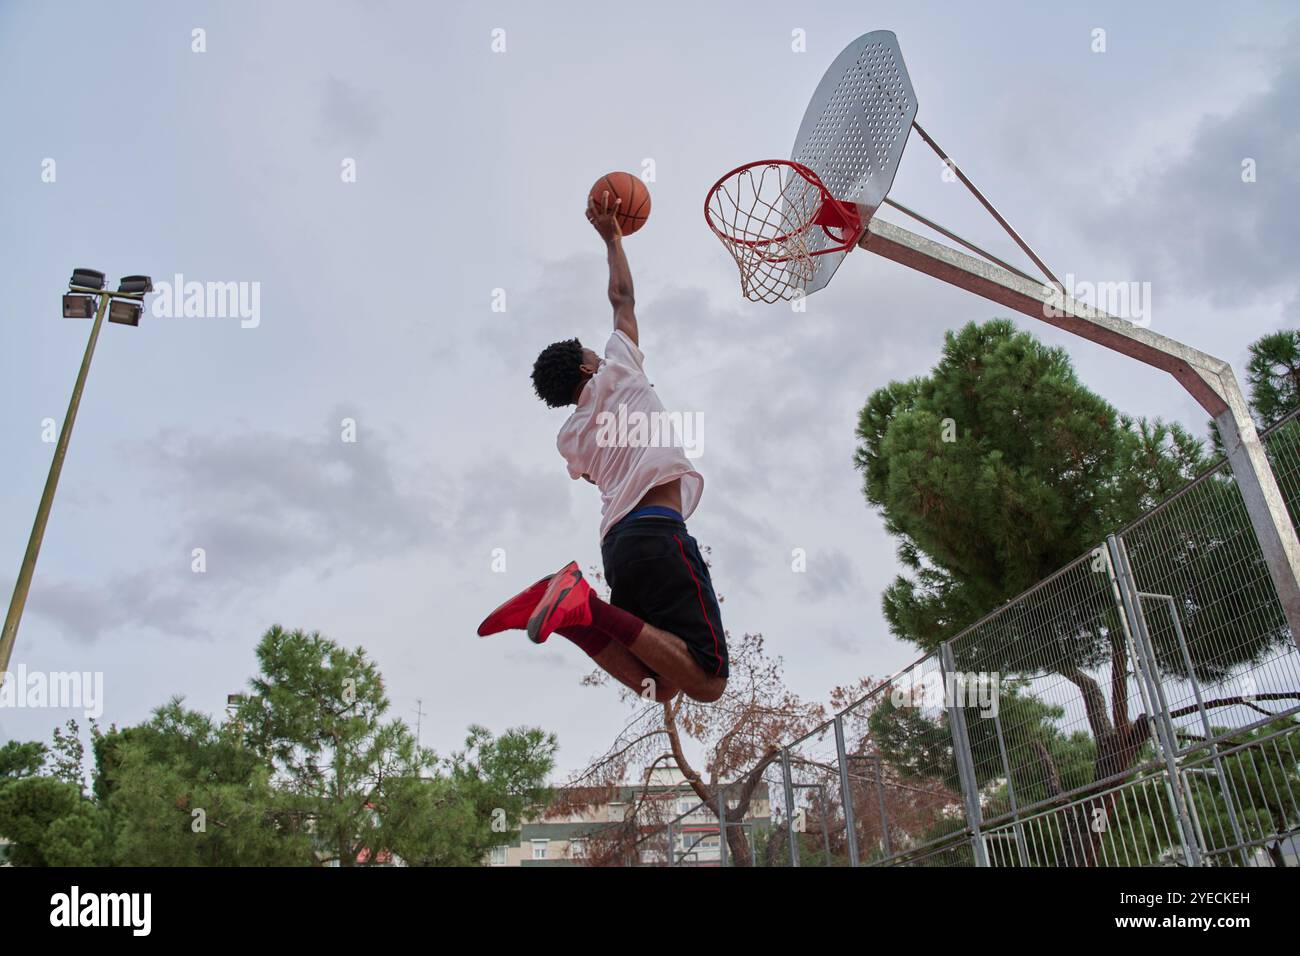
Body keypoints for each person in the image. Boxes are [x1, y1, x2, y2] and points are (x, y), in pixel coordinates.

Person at [477, 191, 728, 704]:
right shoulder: (619, 365)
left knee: (660, 686)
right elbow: (623, 300)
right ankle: (584, 607)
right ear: (589, 365)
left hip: (618, 546)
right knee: (707, 680)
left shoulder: (569, 438)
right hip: (657, 532)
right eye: (590, 349)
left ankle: (570, 615)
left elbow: (596, 476)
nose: (598, 345)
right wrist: (613, 237)